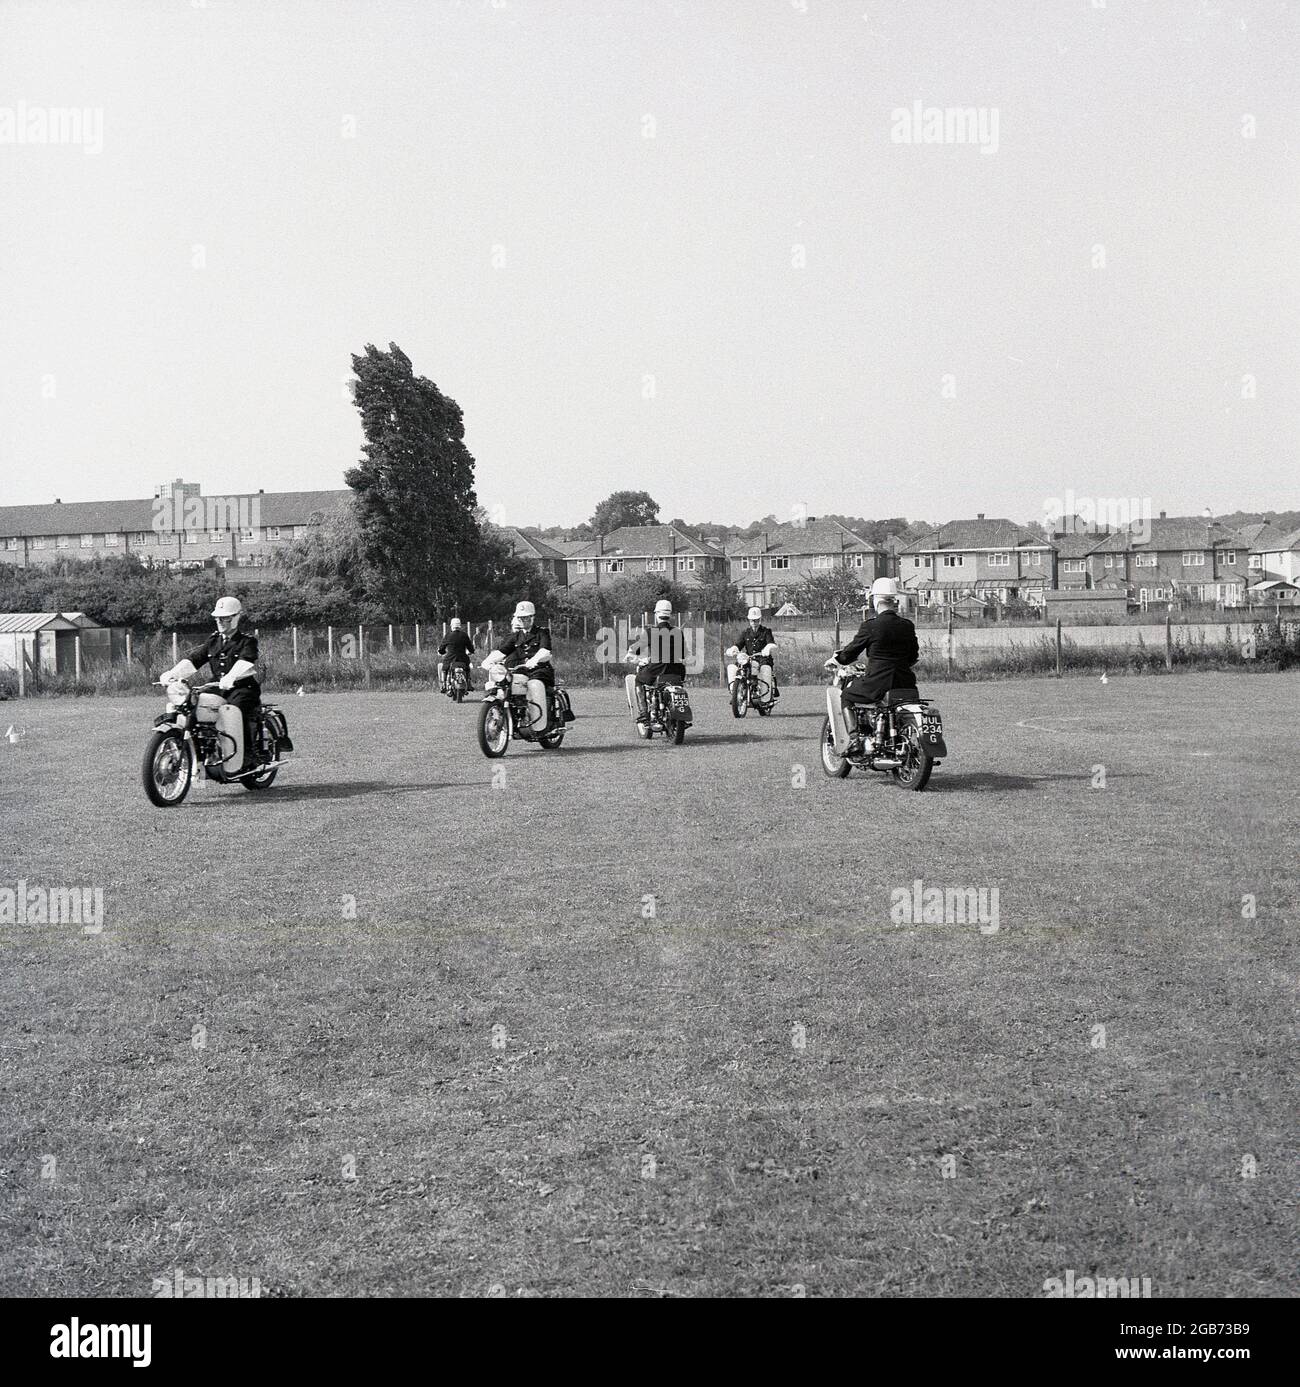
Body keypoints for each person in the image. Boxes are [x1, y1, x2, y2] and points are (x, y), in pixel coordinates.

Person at [158, 595, 261, 768]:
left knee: (233, 711)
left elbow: (246, 660)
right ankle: (200, 753)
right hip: (216, 687)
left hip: (242, 688)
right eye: (218, 618)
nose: (221, 622)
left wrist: (231, 676)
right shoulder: (213, 641)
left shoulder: (246, 640)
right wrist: (172, 673)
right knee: (191, 704)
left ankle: (247, 755)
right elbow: (195, 660)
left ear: (236, 617)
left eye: (226, 618)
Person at [825, 578, 919, 755]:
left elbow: (851, 652)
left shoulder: (871, 626)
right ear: (894, 600)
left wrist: (836, 660)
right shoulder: (907, 626)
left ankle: (854, 739)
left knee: (846, 695)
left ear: (875, 600)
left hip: (878, 683)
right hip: (905, 683)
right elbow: (913, 656)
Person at [483, 601, 554, 732]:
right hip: (520, 671)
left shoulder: (542, 632)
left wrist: (535, 660)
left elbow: (545, 650)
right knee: (505, 686)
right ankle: (515, 716)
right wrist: (488, 661)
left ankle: (539, 725)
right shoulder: (515, 636)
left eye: (525, 617)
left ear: (532, 617)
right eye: (520, 618)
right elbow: (502, 651)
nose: (522, 620)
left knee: (534, 684)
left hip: (539, 670)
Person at [625, 598, 687, 726]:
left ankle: (644, 714)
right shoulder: (678, 632)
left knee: (638, 680)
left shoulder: (650, 632)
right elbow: (683, 654)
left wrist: (630, 653)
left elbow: (636, 648)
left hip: (657, 670)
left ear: (656, 614)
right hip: (677, 671)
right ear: (670, 615)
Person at [726, 606, 780, 702]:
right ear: (749, 621)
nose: (754, 623)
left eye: (756, 620)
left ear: (760, 620)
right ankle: (734, 694)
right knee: (732, 668)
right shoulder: (746, 633)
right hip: (748, 659)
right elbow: (738, 644)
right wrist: (733, 649)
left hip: (763, 658)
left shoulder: (766, 631)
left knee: (765, 669)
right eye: (752, 621)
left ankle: (765, 698)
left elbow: (771, 643)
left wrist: (768, 648)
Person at [437, 617, 476, 693]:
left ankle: (444, 685)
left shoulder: (448, 635)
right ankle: (468, 684)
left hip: (450, 659)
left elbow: (441, 648)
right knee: (467, 669)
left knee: (444, 669)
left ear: (451, 625)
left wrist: (442, 652)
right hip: (463, 659)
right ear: (460, 625)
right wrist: (471, 651)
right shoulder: (464, 635)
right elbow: (471, 648)